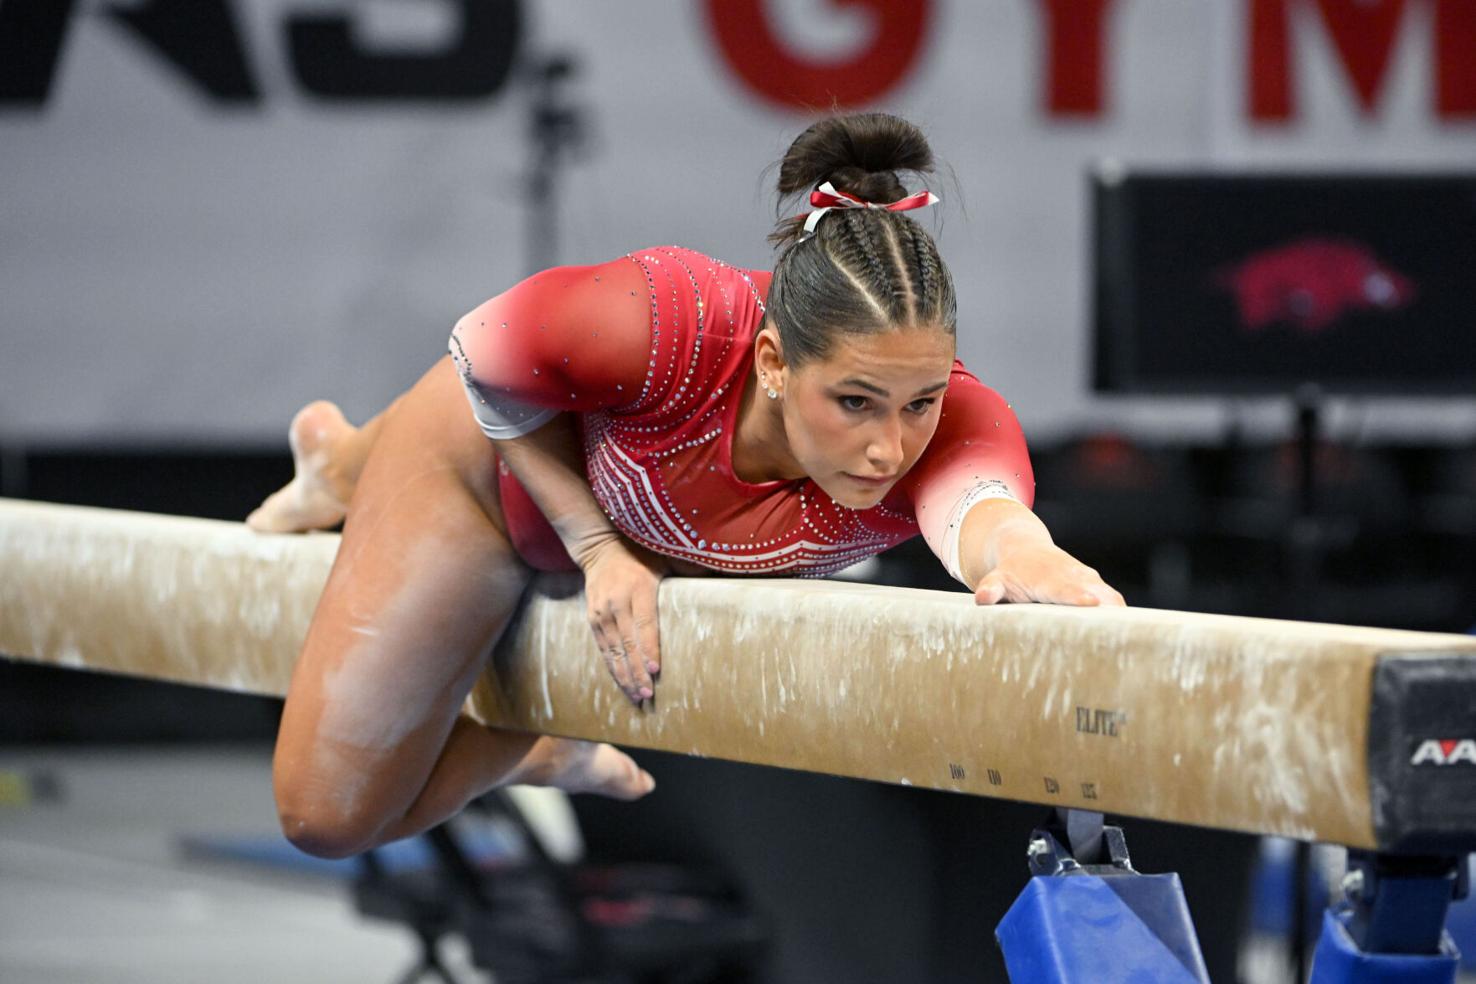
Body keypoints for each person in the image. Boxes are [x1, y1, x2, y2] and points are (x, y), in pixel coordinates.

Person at [252, 113, 1124, 860]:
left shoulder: (954, 423)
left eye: (919, 403)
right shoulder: (672, 325)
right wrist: (596, 548)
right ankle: (528, 737)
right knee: (327, 818)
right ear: (776, 362)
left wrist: (1026, 555)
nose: (887, 447)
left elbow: (984, 515)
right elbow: (481, 351)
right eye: (854, 402)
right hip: (485, 489)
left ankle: (336, 463)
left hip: (661, 530)